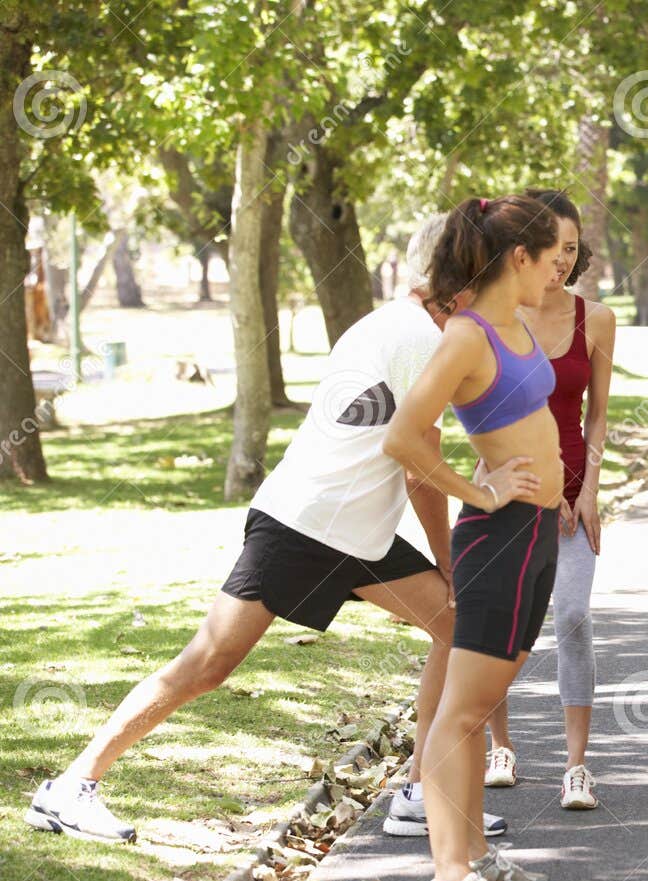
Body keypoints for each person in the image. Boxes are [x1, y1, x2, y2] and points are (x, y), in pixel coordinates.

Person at [25, 217, 509, 845]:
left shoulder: (408, 325)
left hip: (352, 530)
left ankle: (420, 792)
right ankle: (72, 788)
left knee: (455, 622)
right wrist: (448, 556)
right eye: (489, 269)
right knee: (207, 665)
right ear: (459, 277)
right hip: (306, 523)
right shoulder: (419, 337)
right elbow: (420, 463)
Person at [383, 193, 569, 881]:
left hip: (535, 535)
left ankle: (475, 852)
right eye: (552, 253)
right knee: (460, 714)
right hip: (500, 539)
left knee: (477, 705)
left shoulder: (512, 322)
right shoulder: (465, 335)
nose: (561, 266)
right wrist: (478, 489)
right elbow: (404, 435)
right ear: (517, 258)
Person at [482, 189, 617, 811]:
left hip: (573, 500)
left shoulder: (598, 319)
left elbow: (597, 419)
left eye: (569, 249)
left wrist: (585, 489)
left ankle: (577, 766)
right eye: (549, 249)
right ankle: (500, 747)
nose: (559, 262)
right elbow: (482, 409)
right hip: (509, 489)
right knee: (497, 623)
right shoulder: (497, 315)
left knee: (573, 618)